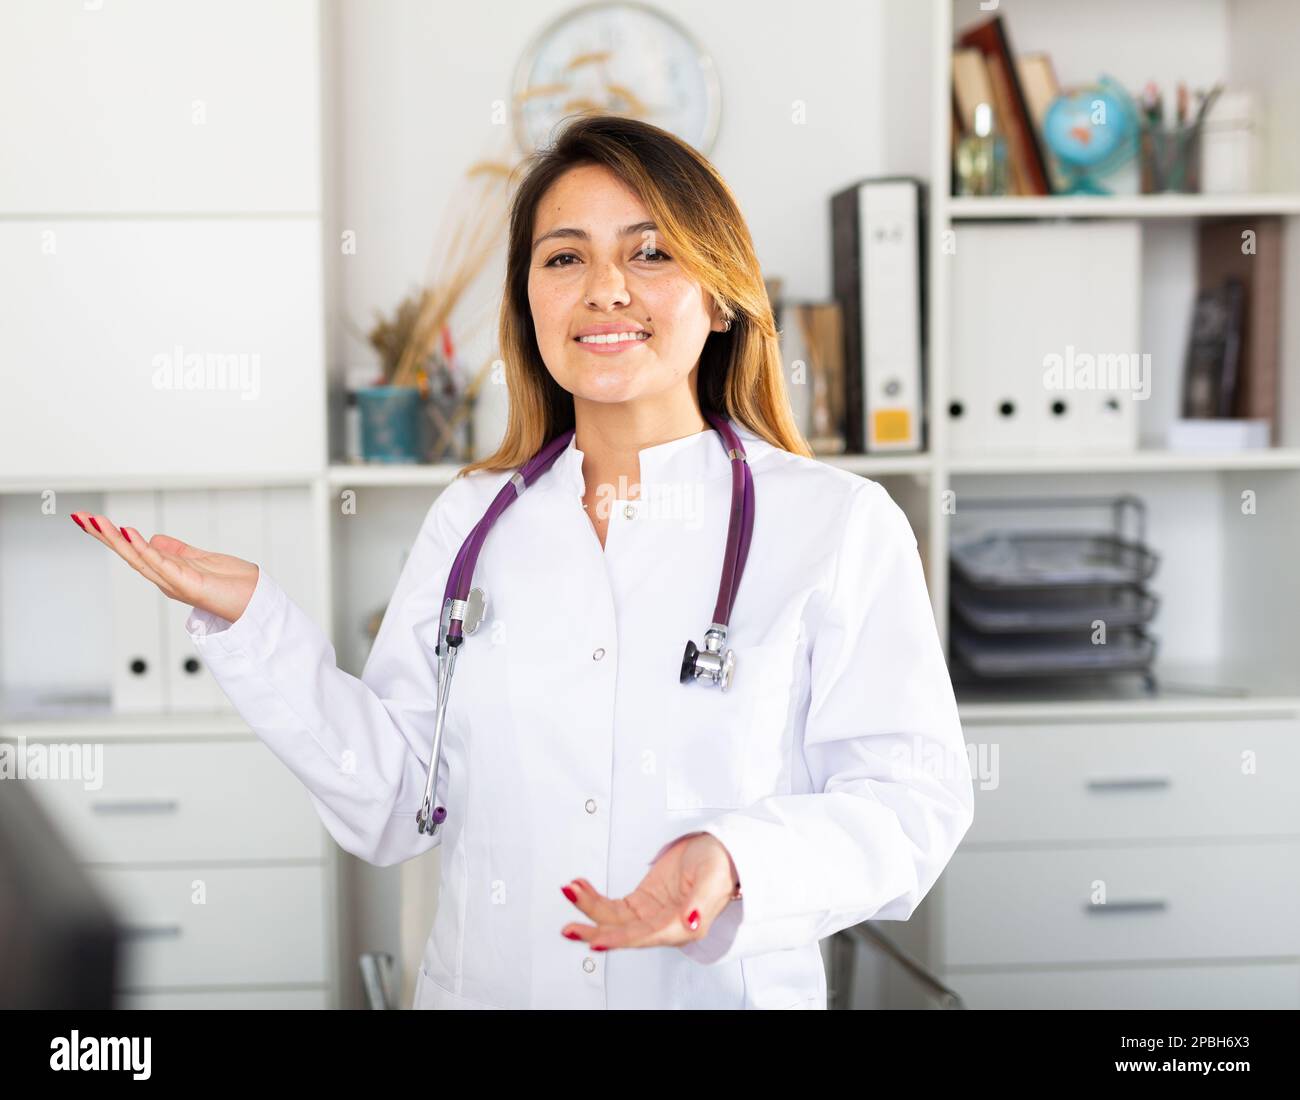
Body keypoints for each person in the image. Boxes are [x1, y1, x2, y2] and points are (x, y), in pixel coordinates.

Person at [71, 113, 973, 1010]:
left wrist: (738, 863)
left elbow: (912, 804)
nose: (606, 288)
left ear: (724, 293)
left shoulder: (838, 526)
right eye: (564, 257)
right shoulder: (474, 520)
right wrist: (256, 626)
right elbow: (393, 804)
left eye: (651, 253)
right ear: (530, 298)